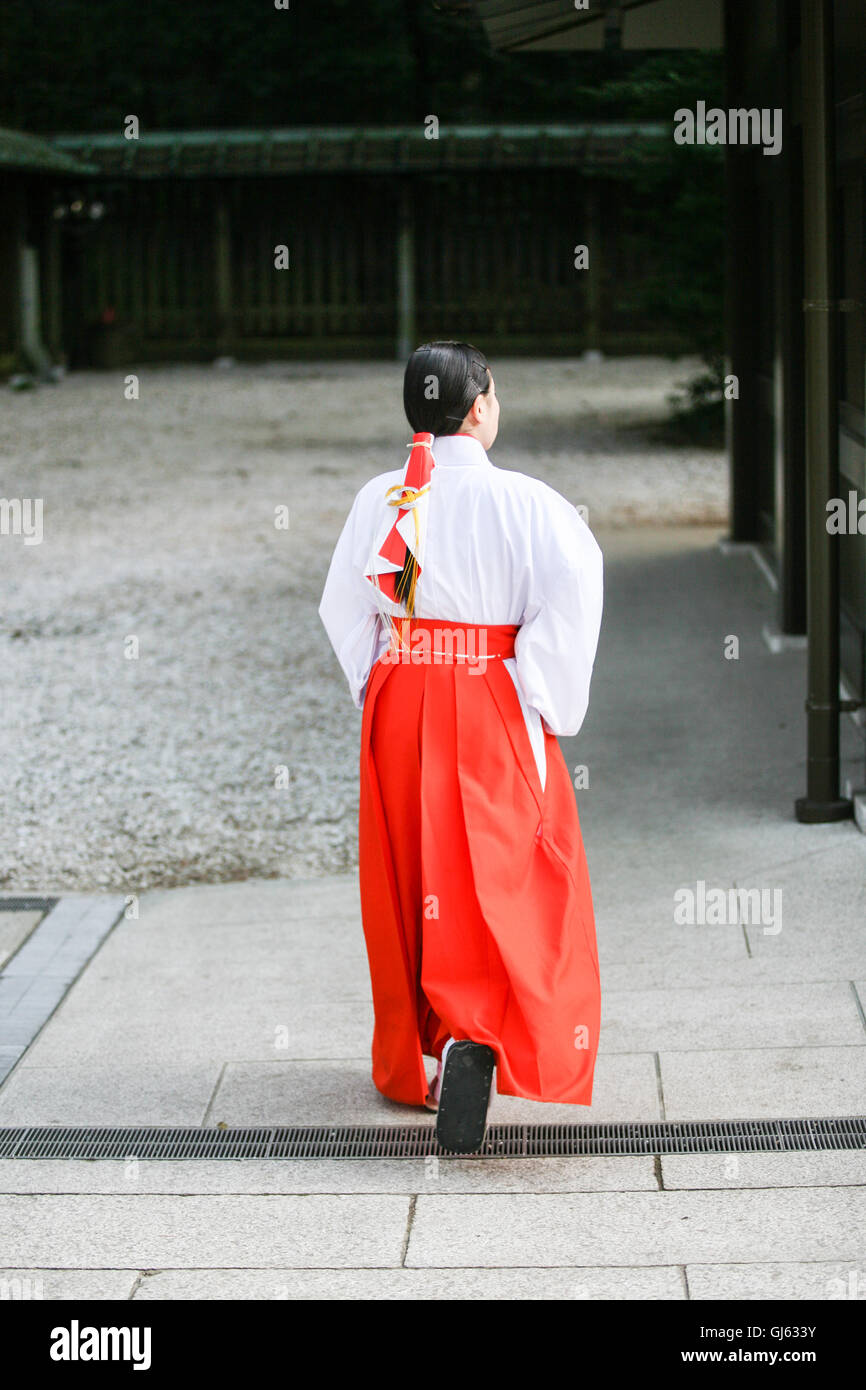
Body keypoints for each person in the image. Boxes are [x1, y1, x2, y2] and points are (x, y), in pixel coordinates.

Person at [318, 341, 603, 1154]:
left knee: (410, 866)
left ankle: (421, 1052)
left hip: (402, 695)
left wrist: (381, 685)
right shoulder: (527, 503)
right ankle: (477, 1033)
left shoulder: (381, 497)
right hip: (488, 690)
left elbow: (345, 609)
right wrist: (540, 695)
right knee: (502, 863)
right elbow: (573, 593)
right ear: (477, 407)